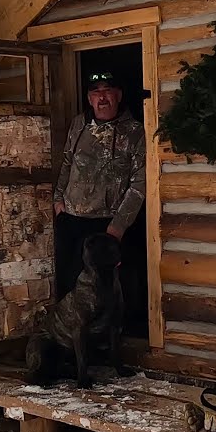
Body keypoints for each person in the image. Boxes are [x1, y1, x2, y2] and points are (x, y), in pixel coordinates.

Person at [52, 70, 147, 333]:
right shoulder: (79, 124)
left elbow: (140, 184)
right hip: (72, 221)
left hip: (108, 226)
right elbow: (67, 162)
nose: (102, 97)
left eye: (107, 91)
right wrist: (58, 199)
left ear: (118, 95)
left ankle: (114, 341)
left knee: (113, 289)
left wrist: (118, 226)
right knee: (70, 285)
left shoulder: (135, 132)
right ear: (89, 98)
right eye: (96, 92)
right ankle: (68, 342)